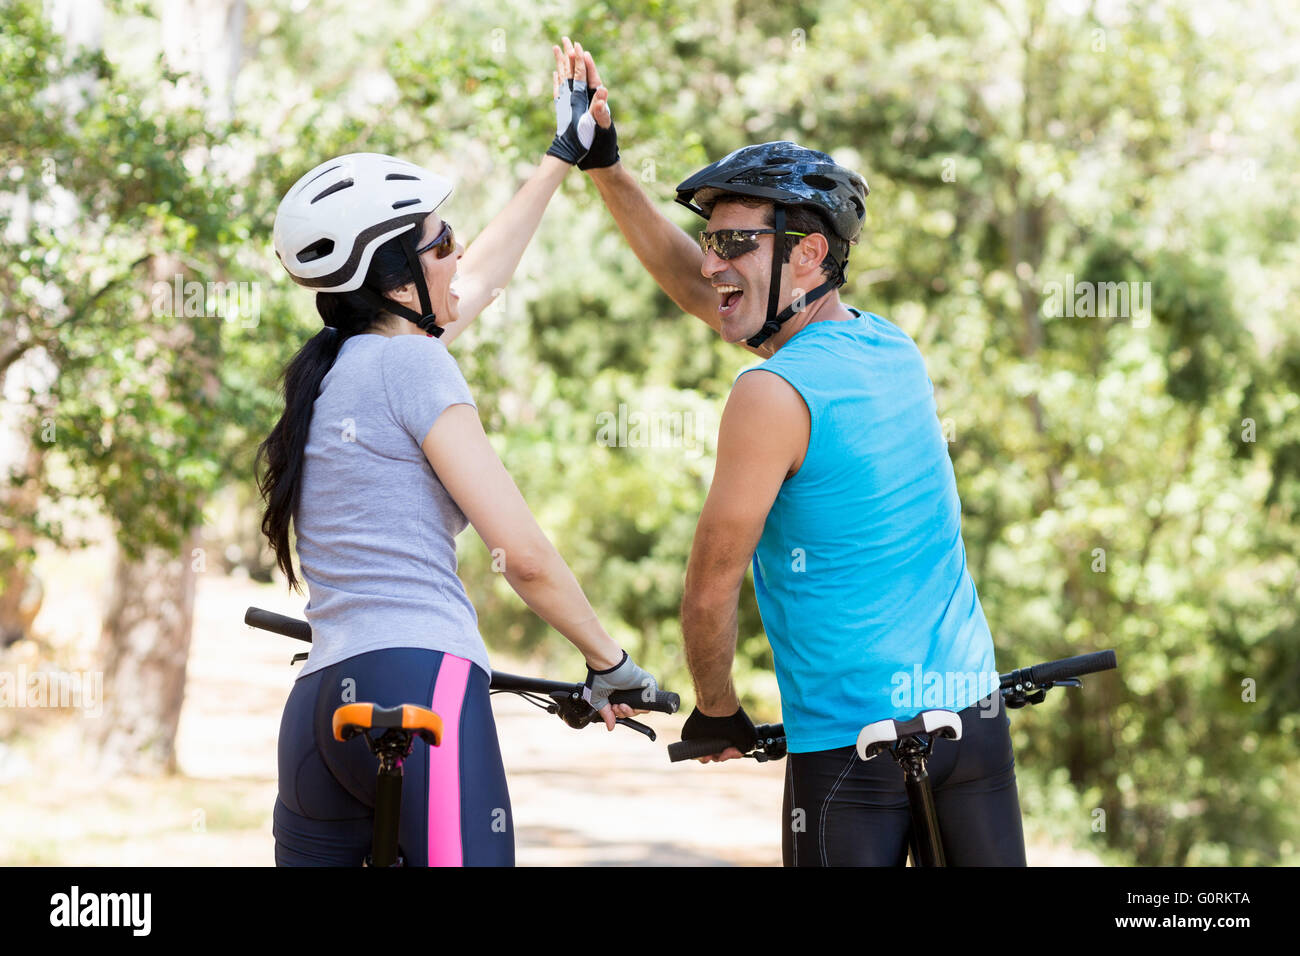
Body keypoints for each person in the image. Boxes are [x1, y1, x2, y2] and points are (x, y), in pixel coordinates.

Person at [561, 38, 1027, 866]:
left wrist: (716, 708)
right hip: (973, 730)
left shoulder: (768, 396)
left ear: (808, 253)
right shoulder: (892, 350)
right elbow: (712, 296)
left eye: (735, 244)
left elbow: (710, 593)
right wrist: (608, 170)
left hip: (854, 751)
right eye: (712, 243)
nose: (712, 263)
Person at [256, 44, 657, 866]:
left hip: (317, 711)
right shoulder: (413, 364)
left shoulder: (336, 368)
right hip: (422, 693)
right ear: (399, 278)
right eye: (440, 246)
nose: (459, 251)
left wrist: (561, 156)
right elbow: (527, 557)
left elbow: (480, 280)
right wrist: (608, 661)